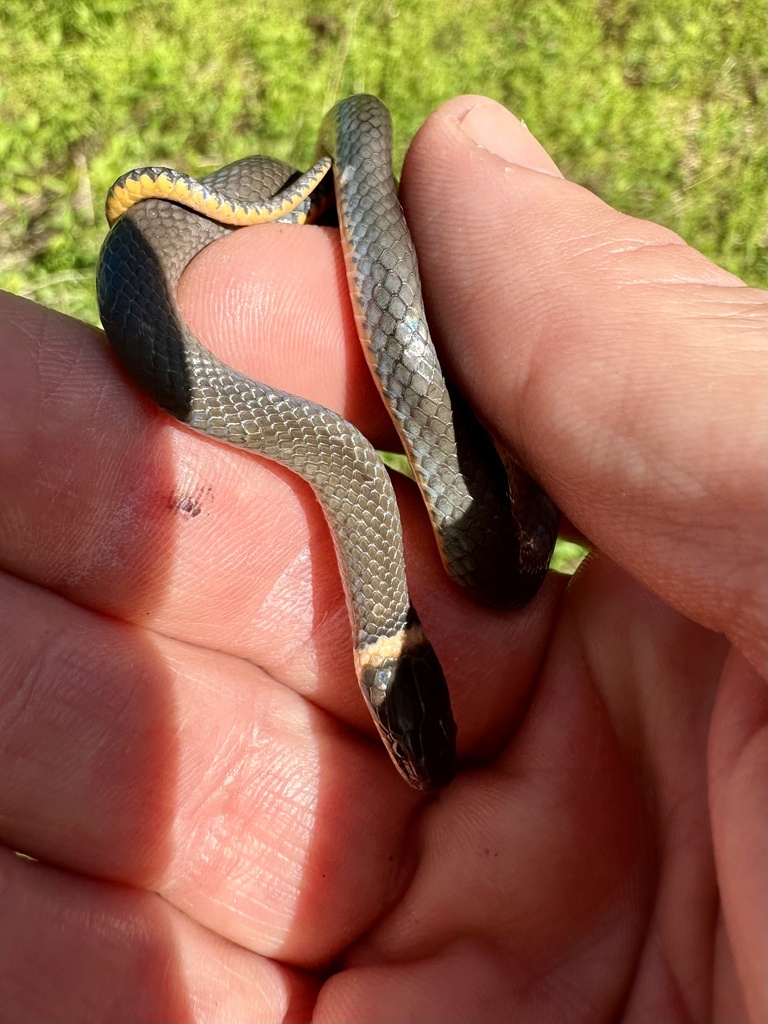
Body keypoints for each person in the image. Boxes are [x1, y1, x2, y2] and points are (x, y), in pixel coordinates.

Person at [0, 94, 764, 1022]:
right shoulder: (449, 543)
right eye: (399, 735)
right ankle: (292, 196)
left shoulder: (493, 569)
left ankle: (283, 200)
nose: (403, 746)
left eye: (405, 738)